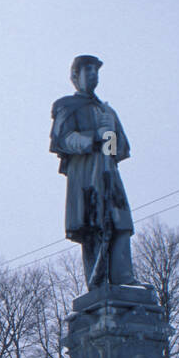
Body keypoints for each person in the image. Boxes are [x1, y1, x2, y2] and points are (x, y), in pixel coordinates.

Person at [49, 55, 136, 288]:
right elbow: (62, 140)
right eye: (88, 71)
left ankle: (124, 279)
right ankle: (98, 284)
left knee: (120, 222)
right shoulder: (66, 106)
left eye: (96, 72)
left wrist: (109, 136)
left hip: (109, 174)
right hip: (86, 175)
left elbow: (119, 150)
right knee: (93, 225)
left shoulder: (106, 110)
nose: (93, 76)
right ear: (75, 77)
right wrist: (94, 137)